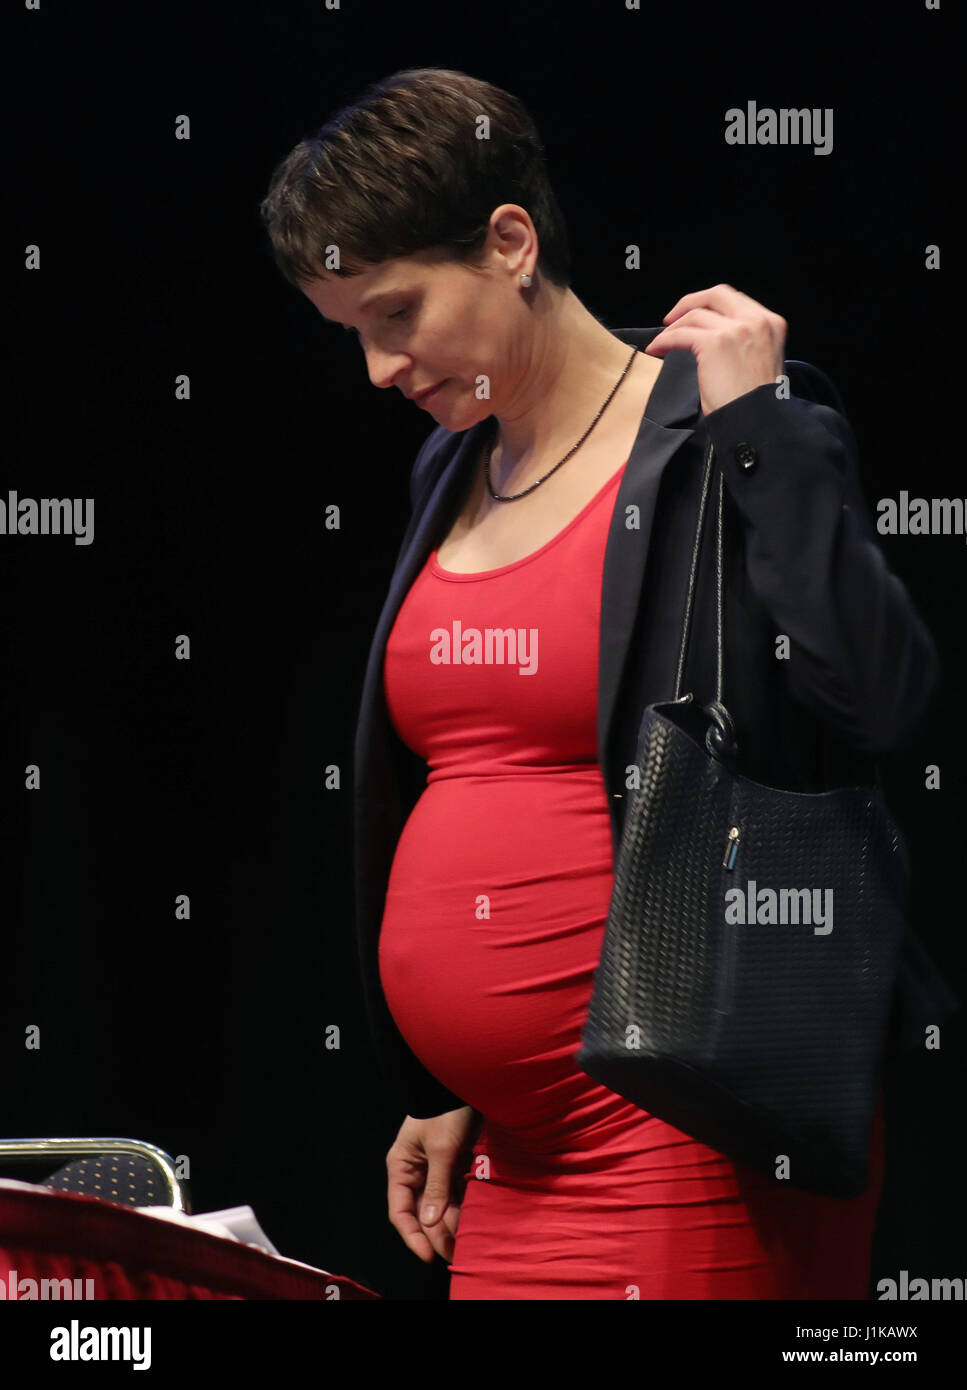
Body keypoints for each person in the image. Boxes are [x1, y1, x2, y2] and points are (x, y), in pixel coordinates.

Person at [260, 66, 954, 1299]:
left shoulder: (729, 424)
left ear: (509, 244)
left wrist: (766, 433)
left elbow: (879, 695)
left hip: (690, 1133)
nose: (376, 368)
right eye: (350, 333)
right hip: (511, 1158)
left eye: (394, 315)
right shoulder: (448, 467)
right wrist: (451, 1083)